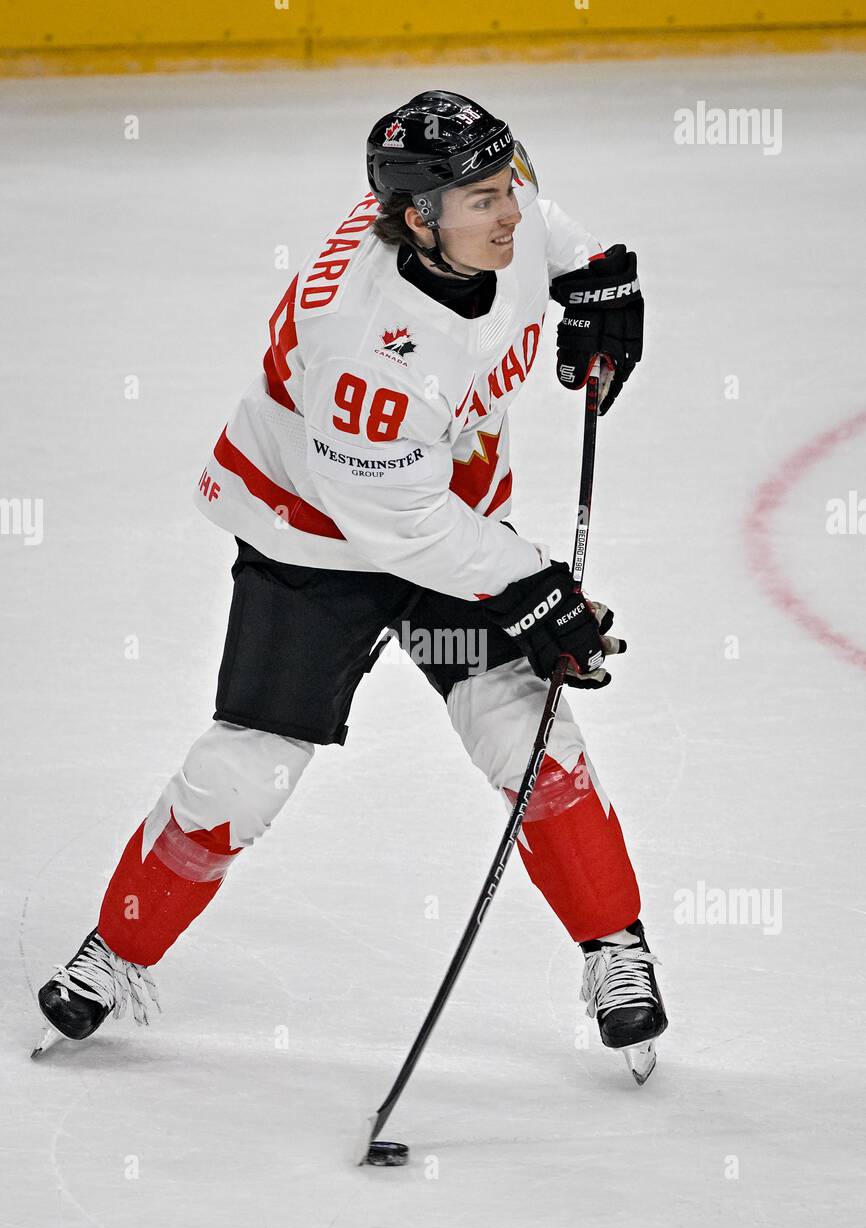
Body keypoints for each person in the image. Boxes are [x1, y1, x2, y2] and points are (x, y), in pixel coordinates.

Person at [33, 90, 667, 1084]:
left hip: (441, 525)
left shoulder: (472, 226)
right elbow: (401, 527)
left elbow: (543, 229)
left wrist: (591, 284)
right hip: (316, 547)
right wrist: (534, 592)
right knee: (244, 771)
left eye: (508, 185)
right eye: (483, 200)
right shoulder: (362, 345)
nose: (509, 212)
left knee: (530, 739)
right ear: (417, 221)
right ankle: (116, 951)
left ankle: (613, 949)